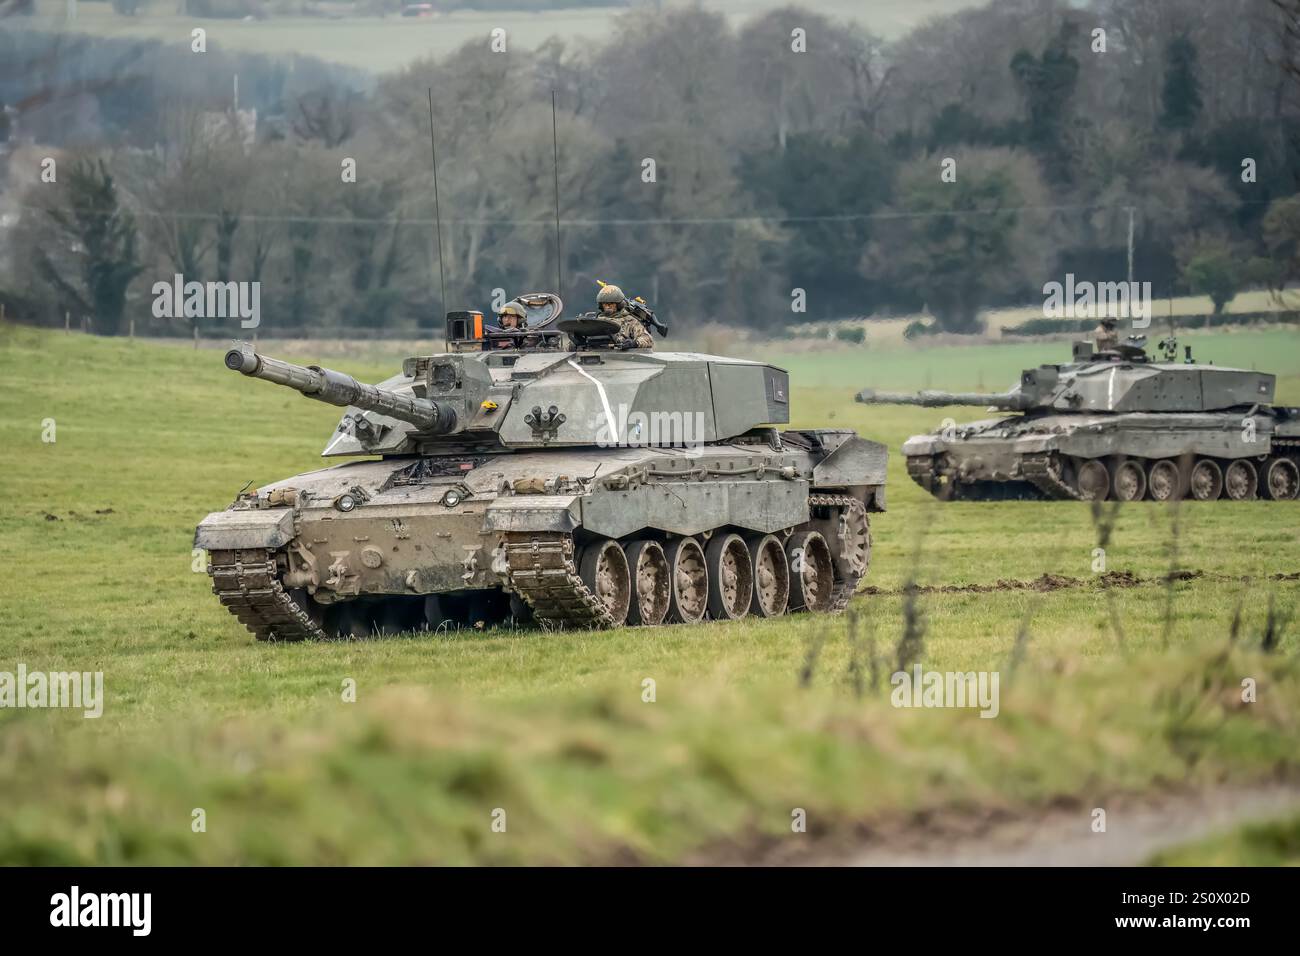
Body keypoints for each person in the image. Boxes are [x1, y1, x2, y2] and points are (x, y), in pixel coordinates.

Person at [597, 284, 653, 350]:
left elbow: (648, 339)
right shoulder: (597, 321)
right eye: (605, 304)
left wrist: (633, 343)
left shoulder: (629, 321)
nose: (608, 306)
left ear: (619, 304)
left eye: (611, 303)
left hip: (622, 356)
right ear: (601, 305)